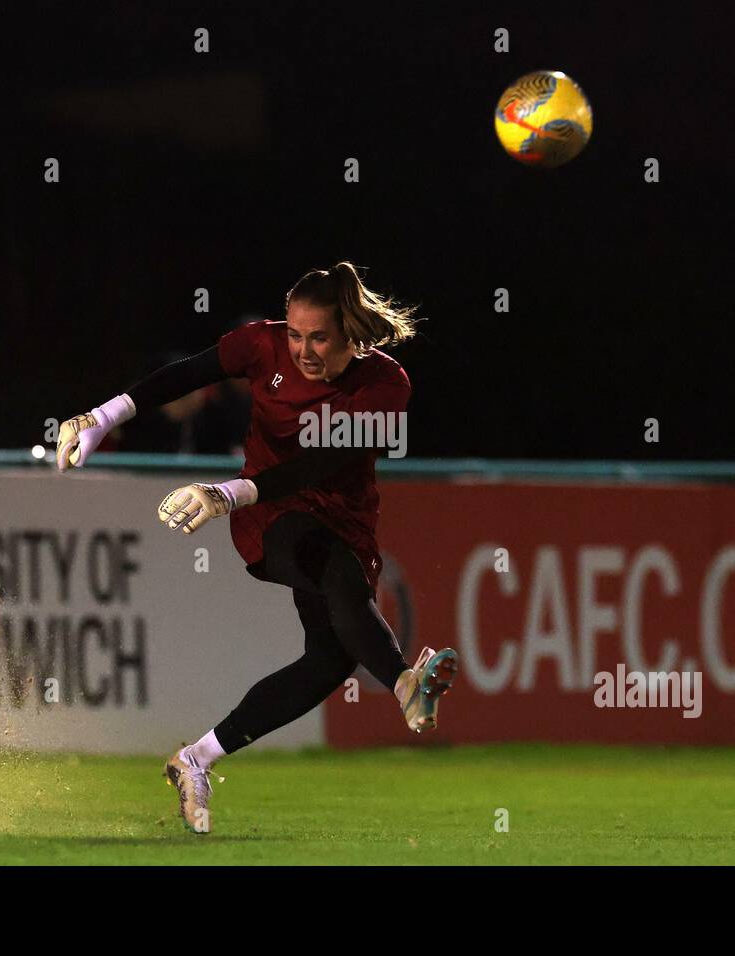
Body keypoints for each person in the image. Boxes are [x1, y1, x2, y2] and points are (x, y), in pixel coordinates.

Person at [54, 262, 459, 833]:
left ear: (350, 333)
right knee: (329, 566)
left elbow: (321, 462)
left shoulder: (386, 385)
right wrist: (102, 415)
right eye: (295, 334)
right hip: (270, 516)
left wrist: (227, 492)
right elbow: (185, 375)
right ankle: (403, 683)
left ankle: (195, 760)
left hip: (335, 518)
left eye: (319, 337)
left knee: (330, 660)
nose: (303, 350)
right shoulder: (258, 345)